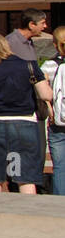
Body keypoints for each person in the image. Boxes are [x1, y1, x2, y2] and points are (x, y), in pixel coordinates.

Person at [0, 31, 50, 194]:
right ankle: (27, 215)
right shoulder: (29, 66)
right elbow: (45, 94)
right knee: (25, 178)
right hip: (24, 123)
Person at [44, 27, 65, 195]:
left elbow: (42, 92)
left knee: (59, 167)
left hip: (57, 122)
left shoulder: (49, 65)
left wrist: (50, 108)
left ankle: (59, 203)